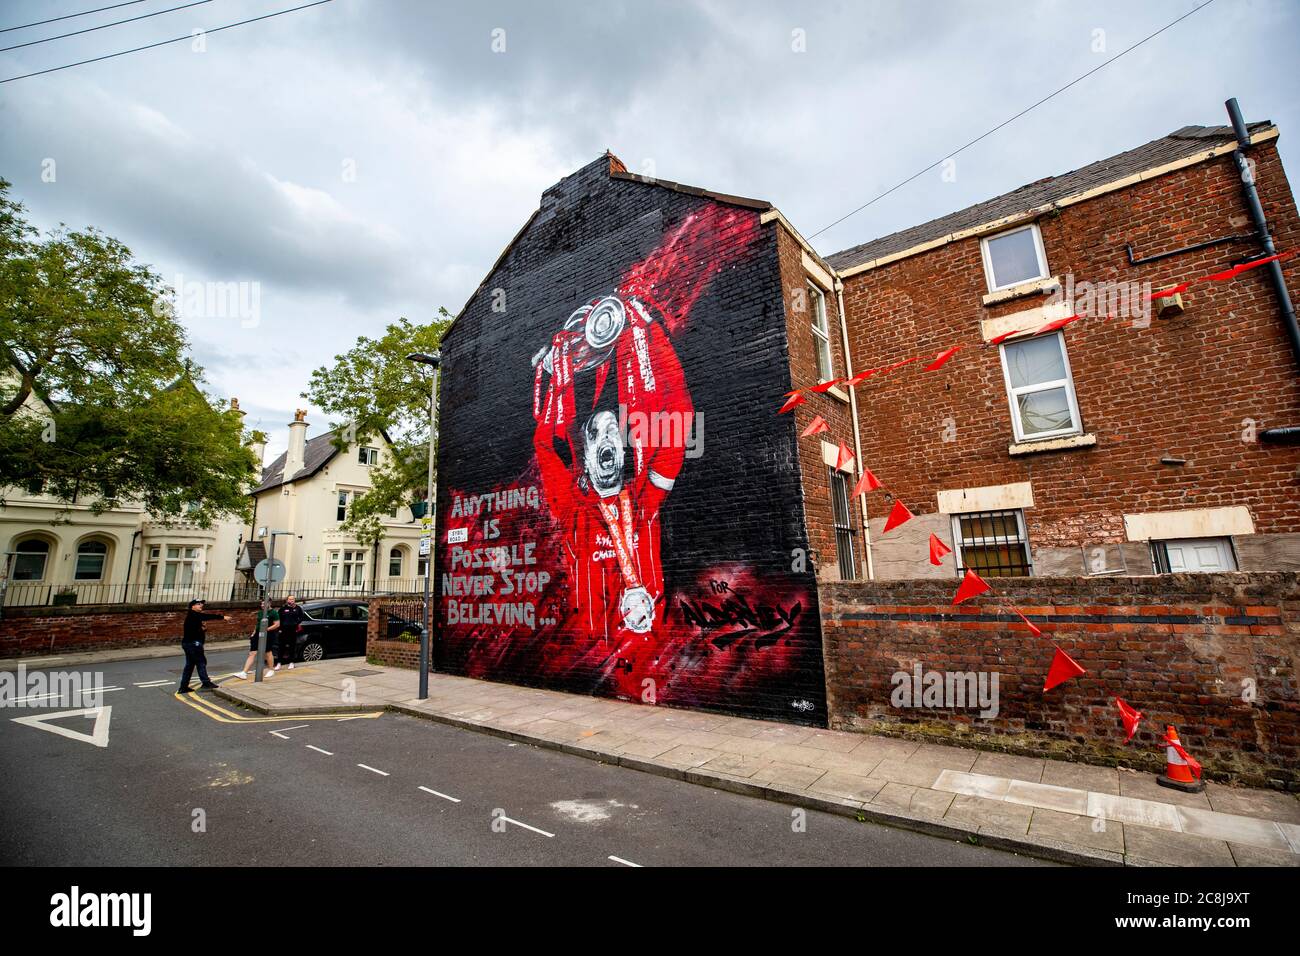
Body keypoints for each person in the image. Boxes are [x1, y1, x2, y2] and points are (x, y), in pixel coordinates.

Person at [178, 598, 228, 693]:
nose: (201, 605)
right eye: (198, 604)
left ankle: (183, 687)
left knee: (190, 665)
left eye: (201, 604)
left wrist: (203, 629)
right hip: (193, 644)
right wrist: (222, 617)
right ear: (192, 607)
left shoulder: (193, 617)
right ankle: (206, 683)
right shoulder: (194, 614)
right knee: (201, 662)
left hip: (188, 643)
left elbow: (193, 630)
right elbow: (207, 616)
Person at [237, 605, 279, 680]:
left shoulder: (273, 613)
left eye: (264, 603)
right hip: (258, 634)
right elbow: (258, 623)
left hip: (268, 634)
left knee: (268, 652)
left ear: (269, 603)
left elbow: (277, 624)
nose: (262, 605)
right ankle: (244, 673)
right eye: (261, 604)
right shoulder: (260, 612)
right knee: (252, 653)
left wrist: (266, 629)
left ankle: (271, 670)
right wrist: (254, 632)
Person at [275, 595, 305, 670]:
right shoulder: (283, 608)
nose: (291, 600)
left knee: (292, 647)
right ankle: (279, 663)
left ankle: (291, 662)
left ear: (294, 600)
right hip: (283, 630)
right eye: (289, 599)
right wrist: (279, 629)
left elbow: (301, 617)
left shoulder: (298, 608)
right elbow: (278, 619)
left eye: (292, 599)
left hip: (293, 630)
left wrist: (296, 623)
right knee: (281, 647)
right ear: (287, 600)